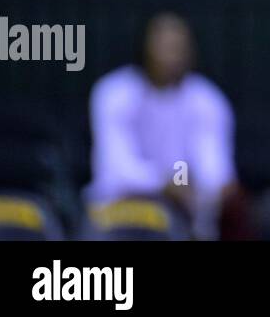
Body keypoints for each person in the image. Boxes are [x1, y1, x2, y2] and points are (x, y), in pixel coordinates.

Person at [86, 13, 239, 240]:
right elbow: (116, 168)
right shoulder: (115, 92)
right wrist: (164, 183)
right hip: (117, 212)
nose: (172, 55)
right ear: (145, 47)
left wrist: (199, 186)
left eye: (178, 47)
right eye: (164, 46)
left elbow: (215, 171)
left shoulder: (207, 99)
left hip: (184, 211)